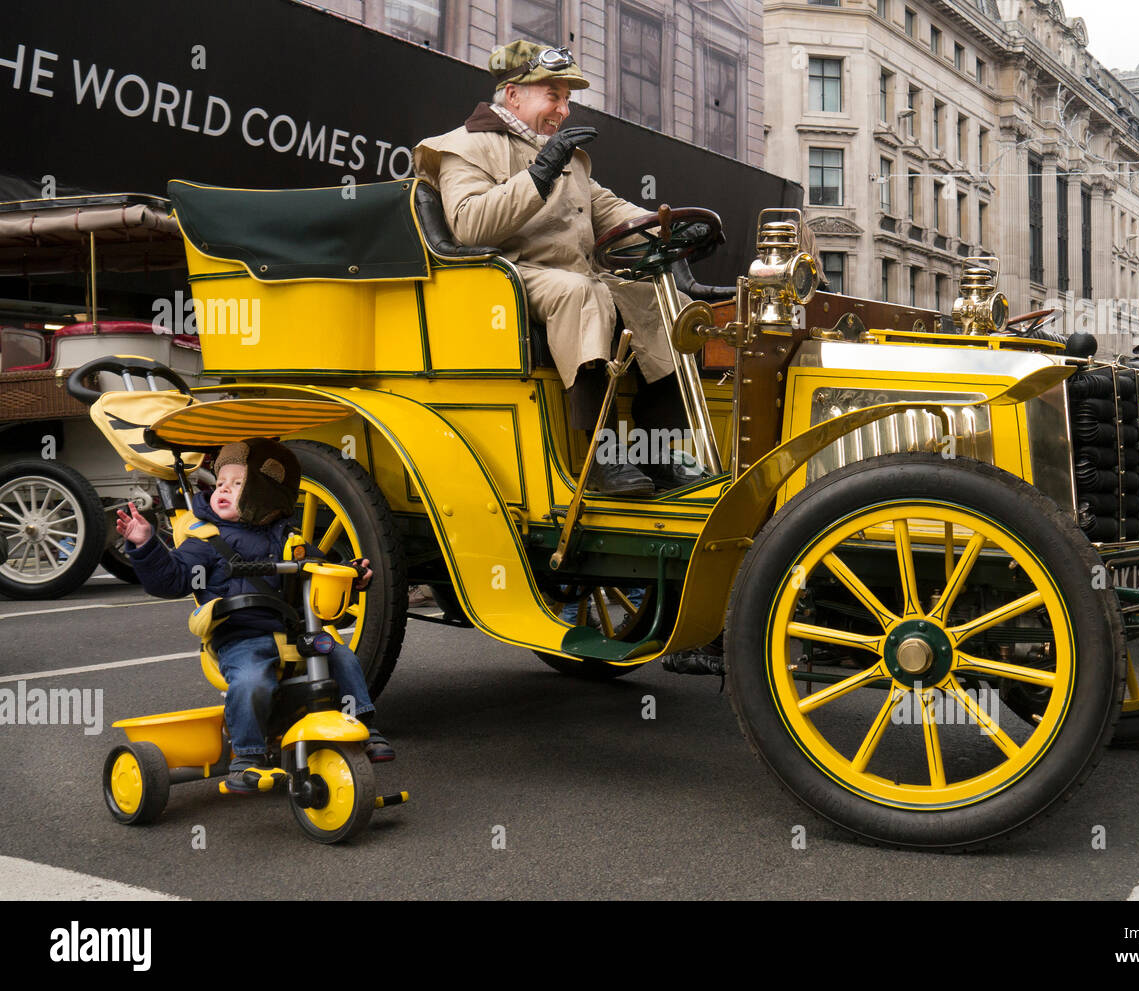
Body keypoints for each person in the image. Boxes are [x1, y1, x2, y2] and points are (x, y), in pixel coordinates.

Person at [413, 40, 703, 495]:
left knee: (670, 304)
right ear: (513, 95)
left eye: (567, 99)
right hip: (503, 277)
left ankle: (655, 451)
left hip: (573, 277)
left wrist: (671, 230)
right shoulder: (462, 146)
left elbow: (616, 212)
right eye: (554, 95)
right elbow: (469, 226)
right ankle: (599, 456)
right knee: (579, 294)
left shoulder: (561, 153)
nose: (564, 110)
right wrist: (540, 174)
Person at [116, 438, 395, 795]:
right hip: (240, 638)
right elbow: (171, 580)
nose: (223, 490)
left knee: (340, 656)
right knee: (251, 682)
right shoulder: (205, 538)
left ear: (264, 494)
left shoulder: (289, 538)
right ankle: (245, 758)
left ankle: (362, 724)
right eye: (220, 483)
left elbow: (321, 570)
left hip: (293, 634)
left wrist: (352, 576)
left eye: (237, 485)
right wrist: (145, 545)